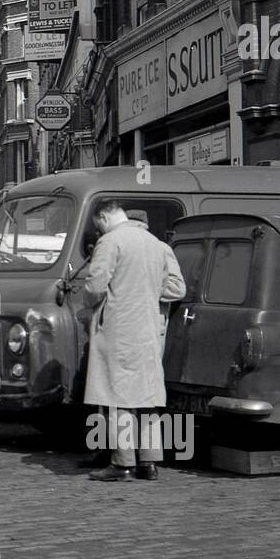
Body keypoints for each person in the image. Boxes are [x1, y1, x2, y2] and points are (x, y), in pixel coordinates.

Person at [82, 200, 185, 481]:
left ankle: (122, 463)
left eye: (97, 224)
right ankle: (149, 462)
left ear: (104, 217)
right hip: (149, 329)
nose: (98, 229)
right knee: (147, 397)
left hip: (118, 328)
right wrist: (149, 295)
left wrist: (90, 303)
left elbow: (95, 286)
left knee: (118, 397)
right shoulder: (157, 245)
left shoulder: (111, 242)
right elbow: (176, 287)